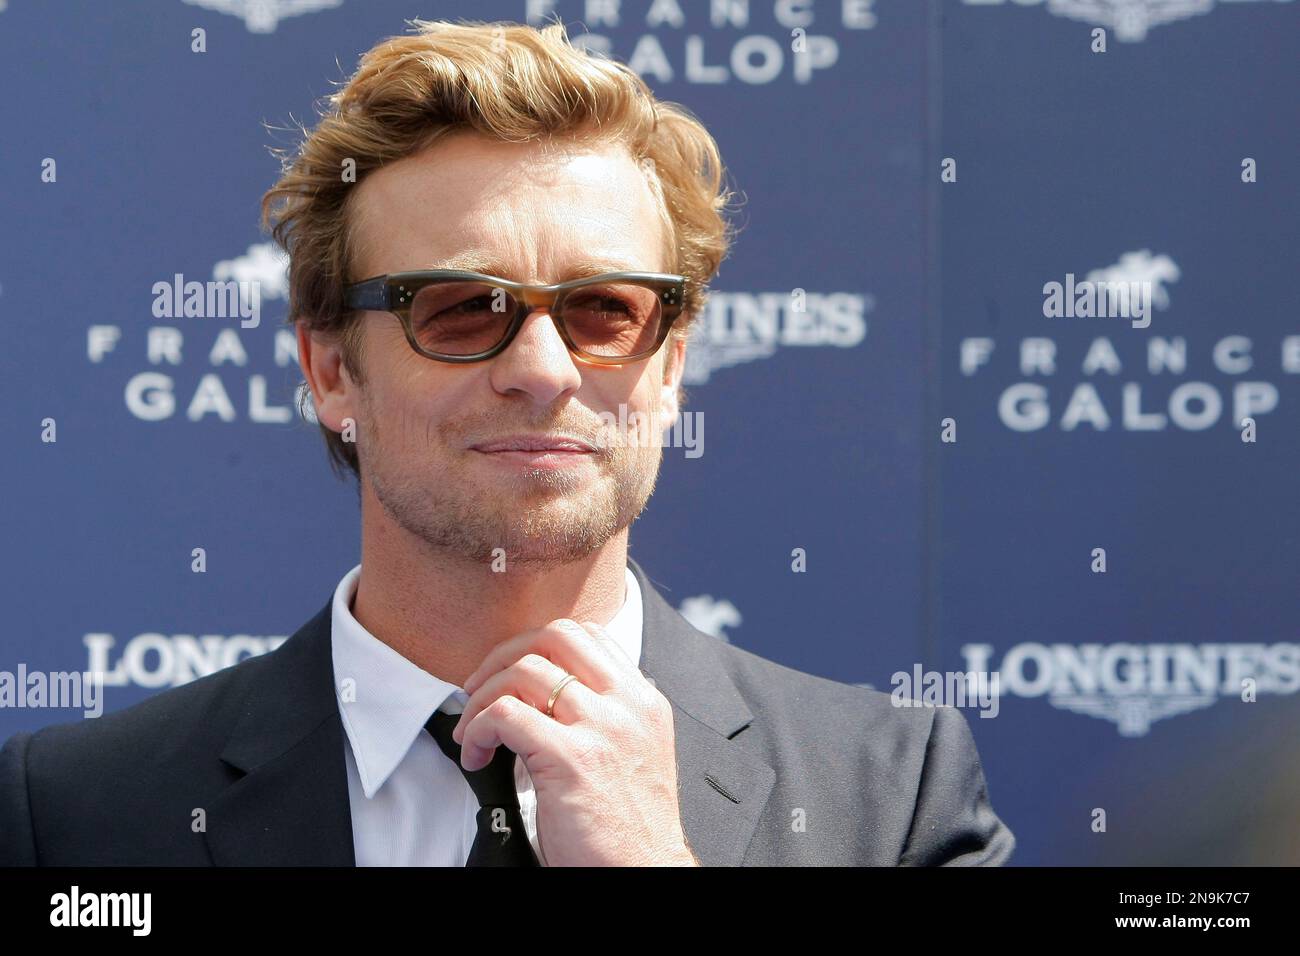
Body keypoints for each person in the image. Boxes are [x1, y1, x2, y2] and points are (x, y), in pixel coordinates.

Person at [0, 19, 1014, 867]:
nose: (545, 368)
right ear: (330, 372)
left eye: (605, 310)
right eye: (457, 307)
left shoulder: (891, 797)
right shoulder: (80, 815)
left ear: (667, 369)